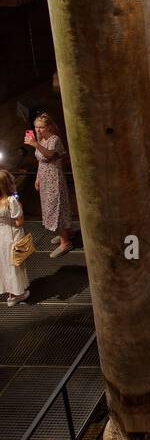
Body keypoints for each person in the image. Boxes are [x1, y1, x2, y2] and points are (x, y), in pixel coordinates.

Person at [22, 114, 72, 258]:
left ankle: (65, 242)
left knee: (55, 207)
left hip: (53, 178)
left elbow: (50, 156)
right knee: (54, 206)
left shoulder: (54, 139)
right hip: (44, 178)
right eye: (36, 127)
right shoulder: (41, 139)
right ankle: (66, 233)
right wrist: (38, 177)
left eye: (41, 127)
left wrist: (36, 144)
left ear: (48, 127)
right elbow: (40, 160)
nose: (37, 130)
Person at [0, 169, 29, 306]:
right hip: (13, 236)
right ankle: (17, 294)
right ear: (8, 185)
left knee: (5, 264)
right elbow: (19, 222)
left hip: (1, 236)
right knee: (16, 263)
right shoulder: (11, 201)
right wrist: (21, 208)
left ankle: (9, 292)